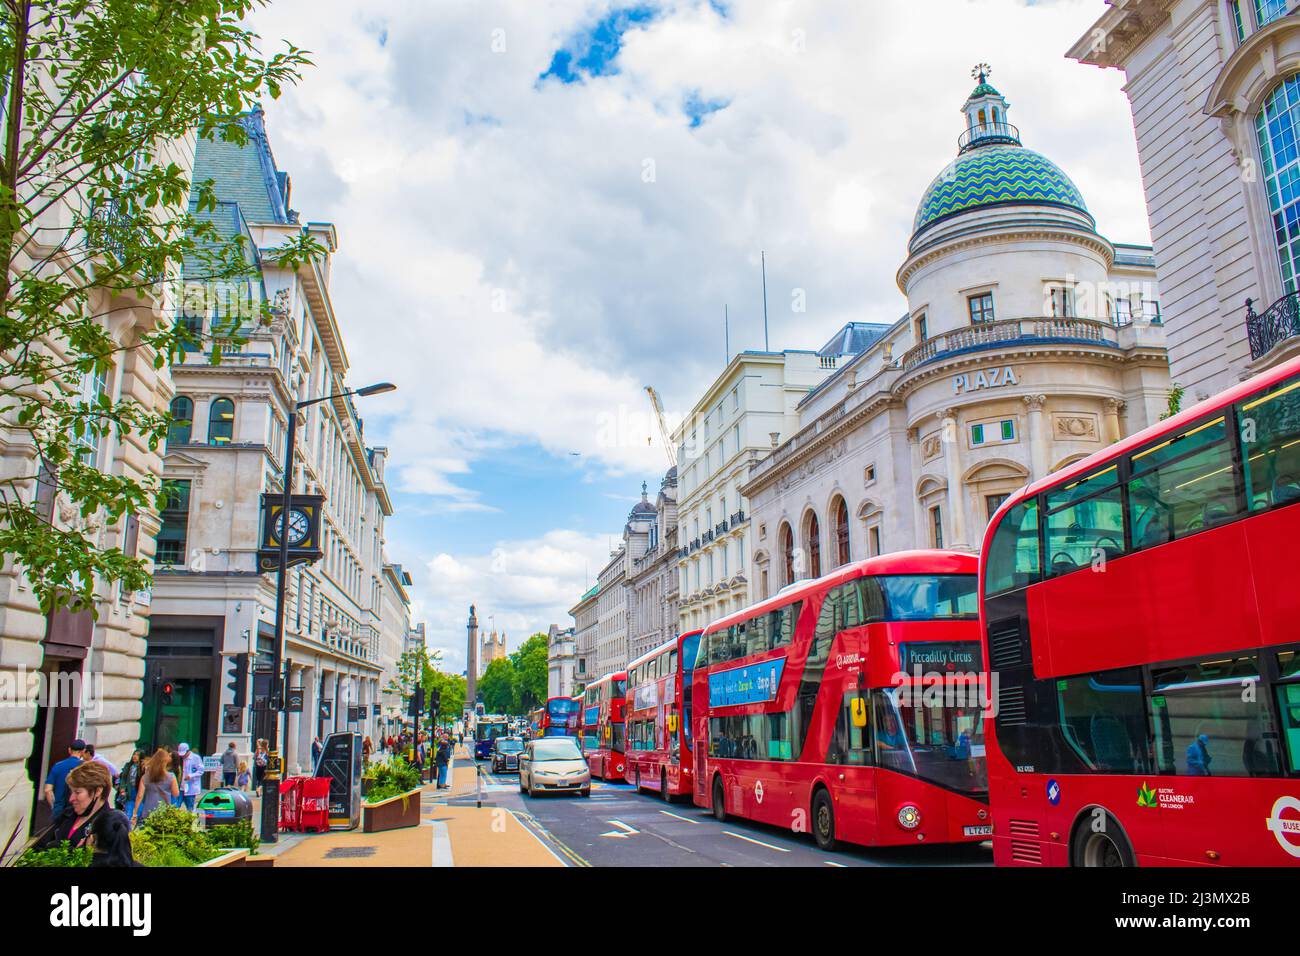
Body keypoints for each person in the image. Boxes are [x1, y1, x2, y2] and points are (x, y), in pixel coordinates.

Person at [37, 761, 138, 867]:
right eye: (71, 792)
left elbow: (111, 861)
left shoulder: (109, 824)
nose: (71, 798)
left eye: (77, 792)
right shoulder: (67, 814)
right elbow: (39, 847)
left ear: (98, 791)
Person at [131, 748, 179, 827]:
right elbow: (176, 793)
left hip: (147, 812)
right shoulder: (171, 777)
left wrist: (135, 814)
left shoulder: (145, 777)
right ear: (166, 762)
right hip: (164, 812)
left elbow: (139, 796)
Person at [43, 739, 87, 820]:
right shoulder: (85, 767)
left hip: (59, 810)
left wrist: (55, 807)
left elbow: (47, 790)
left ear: (69, 750)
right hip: (77, 811)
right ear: (83, 751)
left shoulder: (58, 766)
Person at [117, 750, 144, 816]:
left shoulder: (142, 767)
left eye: (137, 755)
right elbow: (123, 778)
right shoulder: (128, 766)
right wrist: (122, 789)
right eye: (134, 754)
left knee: (139, 809)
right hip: (130, 790)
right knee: (129, 809)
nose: (135, 756)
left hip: (139, 791)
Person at [178, 742, 204, 811]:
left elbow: (201, 770)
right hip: (180, 787)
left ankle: (189, 821)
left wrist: (191, 776)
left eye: (184, 754)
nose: (182, 756)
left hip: (190, 787)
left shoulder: (196, 758)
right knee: (176, 805)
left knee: (190, 807)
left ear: (188, 751)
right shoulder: (180, 759)